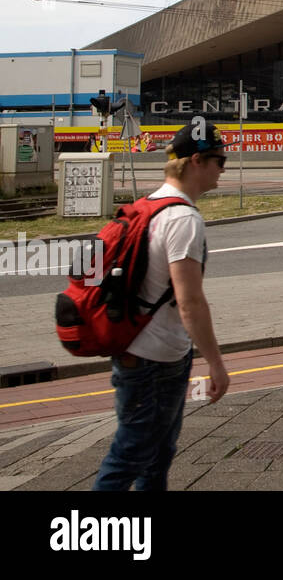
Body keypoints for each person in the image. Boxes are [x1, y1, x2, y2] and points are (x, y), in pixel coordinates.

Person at [94, 117, 230, 491]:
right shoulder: (183, 218)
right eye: (221, 161)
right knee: (130, 457)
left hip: (136, 350)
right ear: (197, 161)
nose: (224, 170)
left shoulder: (148, 206)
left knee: (154, 458)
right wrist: (216, 364)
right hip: (157, 360)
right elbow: (190, 302)